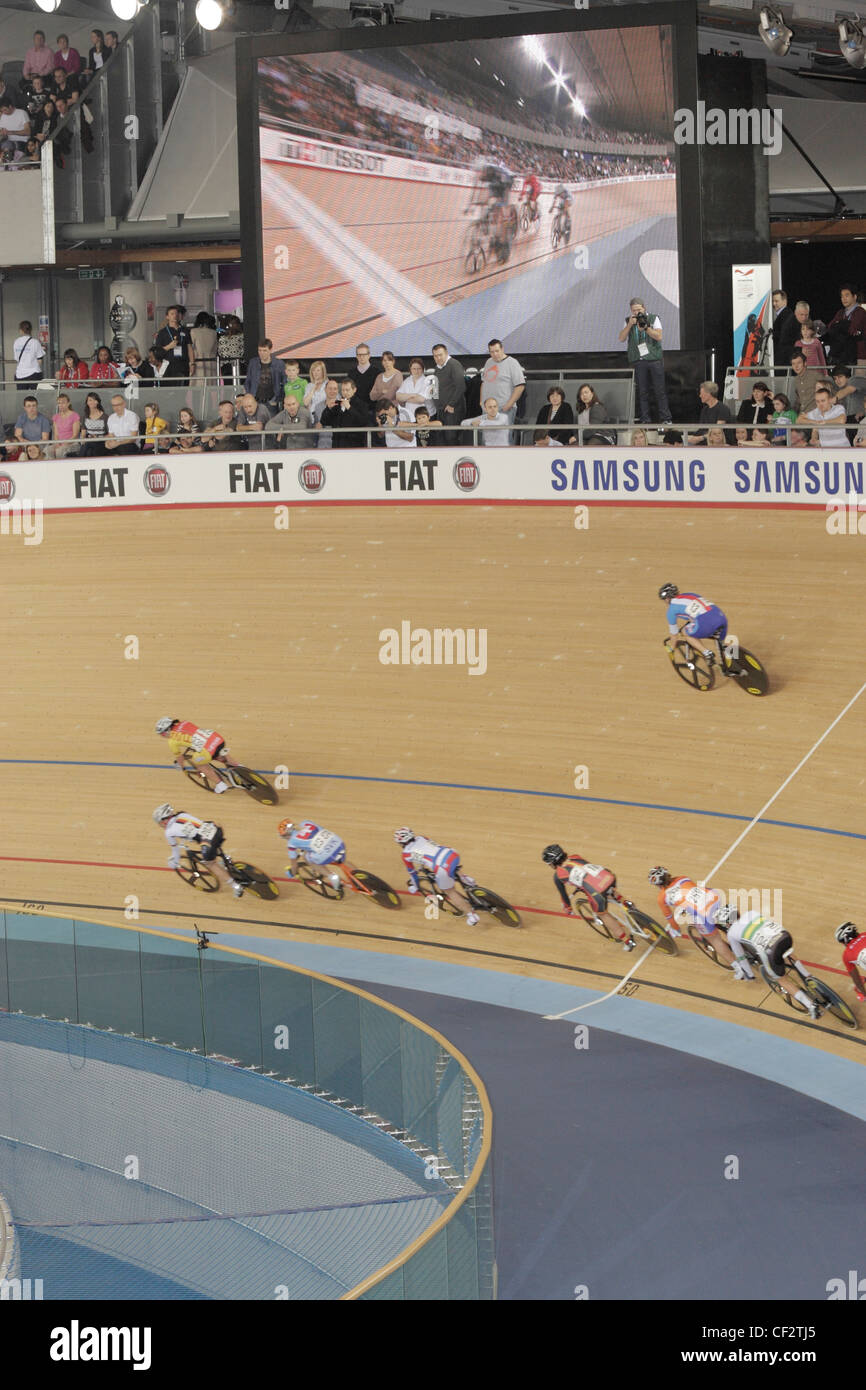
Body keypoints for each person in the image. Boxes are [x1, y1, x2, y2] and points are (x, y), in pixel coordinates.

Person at [722, 905, 819, 1017]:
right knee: (787, 954)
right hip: (784, 935)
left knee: (782, 980)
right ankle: (808, 976)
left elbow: (741, 957)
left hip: (771, 950)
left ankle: (811, 1005)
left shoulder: (731, 933)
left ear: (727, 924)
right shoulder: (751, 913)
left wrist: (749, 974)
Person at [541, 844, 636, 951]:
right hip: (608, 876)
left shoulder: (558, 876)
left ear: (553, 863)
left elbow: (564, 896)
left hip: (597, 892)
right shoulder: (575, 856)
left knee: (603, 914)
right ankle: (626, 903)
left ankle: (628, 941)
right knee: (607, 888)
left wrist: (568, 908)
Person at [648, 867, 737, 964]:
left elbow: (669, 917)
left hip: (703, 915)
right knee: (726, 920)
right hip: (714, 897)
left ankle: (738, 968)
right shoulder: (683, 878)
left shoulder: (662, 898)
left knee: (715, 940)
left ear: (657, 885)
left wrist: (676, 929)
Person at [394, 827, 480, 926]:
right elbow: (428, 850)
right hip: (451, 853)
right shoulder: (422, 838)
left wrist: (416, 886)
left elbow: (413, 874)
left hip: (441, 866)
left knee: (450, 891)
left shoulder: (406, 855)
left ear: (401, 843)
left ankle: (472, 915)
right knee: (450, 866)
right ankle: (464, 878)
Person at [152, 804, 242, 897]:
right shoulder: (182, 815)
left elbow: (175, 850)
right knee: (208, 844)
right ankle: (226, 859)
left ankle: (236, 886)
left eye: (160, 823)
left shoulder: (169, 832)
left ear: (164, 821)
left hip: (208, 840)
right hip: (215, 828)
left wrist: (175, 861)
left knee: (210, 863)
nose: (160, 825)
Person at [619, 296, 672, 426]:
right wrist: (630, 325)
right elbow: (621, 338)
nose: (637, 312)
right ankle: (645, 420)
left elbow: (659, 336)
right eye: (634, 310)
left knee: (659, 390)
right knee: (642, 391)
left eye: (638, 309)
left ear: (644, 308)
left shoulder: (654, 318)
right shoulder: (628, 321)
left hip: (654, 359)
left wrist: (646, 328)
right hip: (639, 360)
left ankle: (666, 418)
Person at [658, 582, 735, 670]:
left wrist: (672, 647)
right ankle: (729, 654)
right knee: (718, 638)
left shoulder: (671, 610)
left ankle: (707, 653)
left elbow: (674, 633)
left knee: (685, 632)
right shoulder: (690, 594)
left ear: (667, 599)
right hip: (721, 617)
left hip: (706, 622)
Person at [155, 716, 239, 794]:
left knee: (199, 764)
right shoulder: (185, 722)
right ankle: (238, 767)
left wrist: (181, 766)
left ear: (165, 732)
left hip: (207, 750)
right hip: (217, 738)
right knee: (218, 752)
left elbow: (180, 758)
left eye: (161, 735)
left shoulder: (171, 741)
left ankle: (220, 784)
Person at [279, 819, 356, 893]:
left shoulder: (291, 843)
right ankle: (359, 876)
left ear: (286, 836)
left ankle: (331, 876)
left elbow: (294, 864)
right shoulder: (306, 822)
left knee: (307, 857)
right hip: (338, 842)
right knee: (343, 861)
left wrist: (293, 873)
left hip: (326, 853)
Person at [480, 339, 525, 442]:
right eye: (492, 352)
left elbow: (520, 386)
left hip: (504, 409)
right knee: (486, 440)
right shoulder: (488, 362)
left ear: (502, 349)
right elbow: (484, 383)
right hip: (487, 409)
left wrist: (509, 404)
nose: (495, 354)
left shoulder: (512, 363)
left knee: (504, 439)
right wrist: (481, 401)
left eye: (497, 351)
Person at [823, 284, 866, 365]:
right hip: (842, 355)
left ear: (855, 296)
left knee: (858, 377)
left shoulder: (861, 312)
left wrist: (839, 326)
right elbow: (830, 328)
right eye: (842, 296)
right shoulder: (840, 313)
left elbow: (851, 330)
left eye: (847, 295)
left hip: (859, 356)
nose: (844, 299)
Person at [431, 343, 465, 444]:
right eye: (435, 356)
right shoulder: (437, 368)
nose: (438, 358)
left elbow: (461, 386)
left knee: (451, 438)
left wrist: (451, 404)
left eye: (440, 355)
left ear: (446, 353)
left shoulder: (454, 364)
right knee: (443, 438)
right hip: (441, 410)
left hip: (452, 410)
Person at [798, 383, 850, 448]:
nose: (820, 404)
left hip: (843, 449)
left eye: (823, 401)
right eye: (817, 401)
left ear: (829, 399)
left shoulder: (838, 408)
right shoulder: (816, 412)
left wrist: (824, 422)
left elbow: (842, 420)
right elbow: (799, 420)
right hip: (825, 450)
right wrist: (814, 423)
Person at [320, 379, 369, 448]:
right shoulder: (337, 404)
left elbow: (363, 422)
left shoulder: (362, 405)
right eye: (343, 390)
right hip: (337, 445)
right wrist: (328, 408)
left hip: (354, 446)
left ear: (354, 390)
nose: (345, 392)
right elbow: (324, 422)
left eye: (347, 390)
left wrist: (349, 408)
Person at [244, 338, 285, 412]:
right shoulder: (253, 362)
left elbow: (285, 382)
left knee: (271, 423)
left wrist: (277, 398)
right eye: (259, 350)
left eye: (264, 350)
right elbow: (248, 381)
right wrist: (249, 396)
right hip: (255, 401)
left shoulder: (279, 364)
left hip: (272, 402)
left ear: (270, 350)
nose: (261, 353)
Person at [155, 306, 194, 382]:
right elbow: (158, 351)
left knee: (183, 388)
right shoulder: (162, 332)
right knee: (171, 390)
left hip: (183, 364)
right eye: (172, 314)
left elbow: (189, 348)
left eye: (176, 314)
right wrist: (169, 346)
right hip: (169, 365)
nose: (175, 316)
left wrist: (192, 363)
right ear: (167, 317)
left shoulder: (185, 330)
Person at [836, 922, 866, 1004]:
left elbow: (857, 980)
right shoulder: (864, 934)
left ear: (845, 940)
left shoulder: (846, 955)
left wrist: (864, 994)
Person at [348, 343, 377, 420]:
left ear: (369, 355)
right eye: (359, 354)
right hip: (355, 411)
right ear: (356, 356)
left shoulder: (377, 372)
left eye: (364, 354)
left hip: (372, 411)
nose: (361, 357)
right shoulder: (351, 373)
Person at [13, 321, 44, 389]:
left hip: (20, 374)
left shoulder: (16, 342)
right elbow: (40, 359)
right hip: (34, 374)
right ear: (30, 330)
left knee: (22, 397)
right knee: (35, 397)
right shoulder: (35, 342)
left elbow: (17, 359)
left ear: (21, 330)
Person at [771, 288, 797, 366]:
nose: (774, 304)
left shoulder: (786, 315)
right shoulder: (785, 314)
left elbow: (784, 336)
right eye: (773, 301)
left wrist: (773, 334)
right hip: (784, 356)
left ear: (784, 301)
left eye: (776, 301)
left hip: (783, 358)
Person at [51, 393, 81, 457]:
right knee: (47, 450)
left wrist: (64, 444)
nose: (61, 405)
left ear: (68, 403)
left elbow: (75, 435)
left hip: (72, 444)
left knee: (59, 451)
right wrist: (57, 443)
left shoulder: (75, 415)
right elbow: (56, 434)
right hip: (59, 443)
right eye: (59, 403)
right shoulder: (55, 417)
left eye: (63, 403)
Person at [190, 310, 218, 381]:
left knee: (198, 385)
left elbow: (191, 348)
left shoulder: (193, 331)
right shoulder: (213, 332)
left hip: (197, 362)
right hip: (211, 362)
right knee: (210, 384)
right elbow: (215, 349)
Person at [303, 358, 330, 423]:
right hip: (312, 418)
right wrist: (313, 388)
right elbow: (305, 403)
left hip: (325, 416)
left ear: (323, 372)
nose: (315, 373)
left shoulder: (329, 384)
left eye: (318, 370)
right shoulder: (309, 386)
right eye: (313, 370)